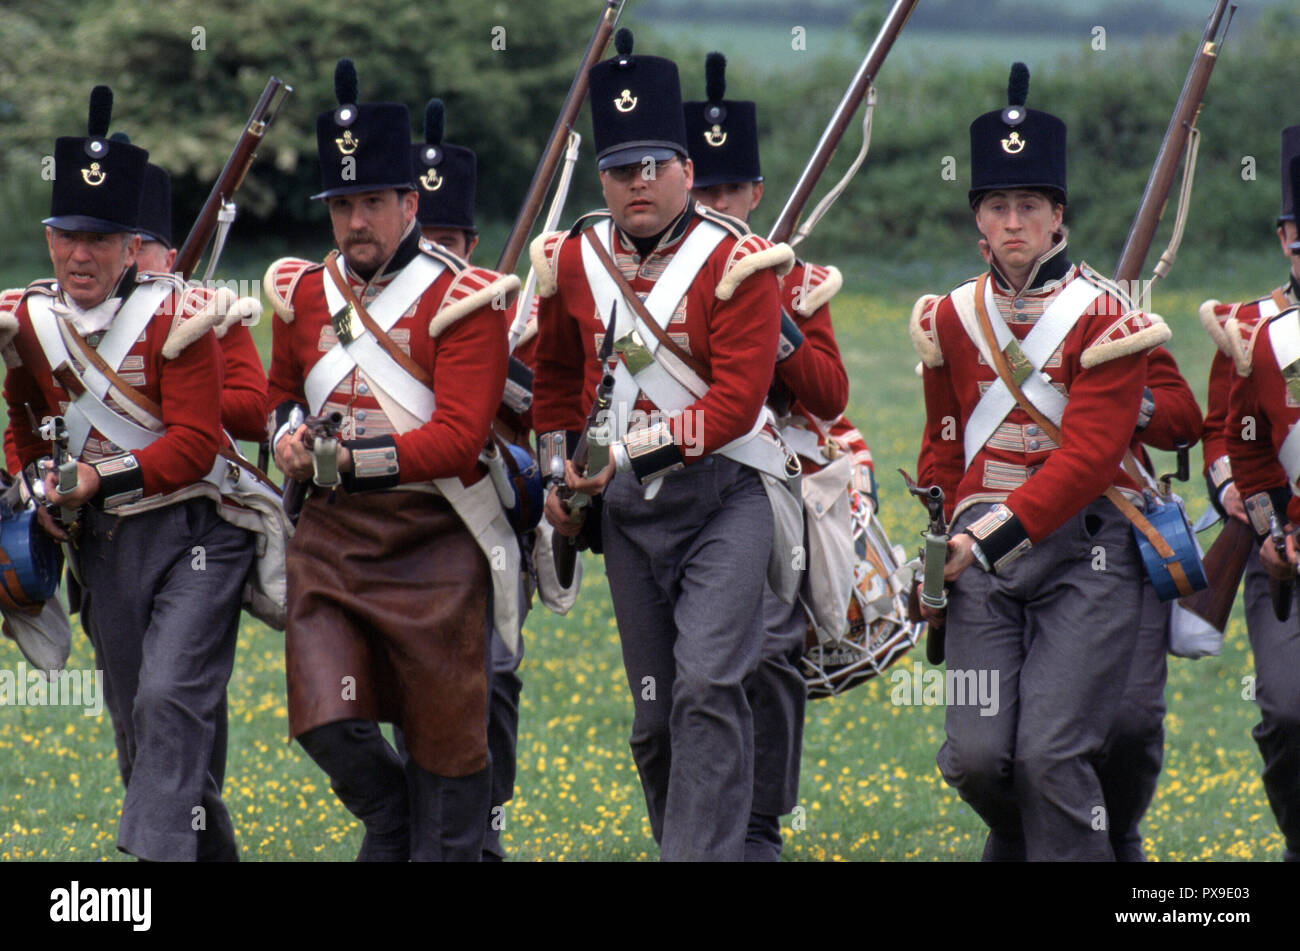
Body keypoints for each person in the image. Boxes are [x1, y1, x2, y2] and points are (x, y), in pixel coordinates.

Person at [531, 29, 796, 861]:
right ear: (602, 176)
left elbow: (735, 405)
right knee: (654, 723)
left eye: (653, 165)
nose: (637, 183)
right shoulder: (575, 258)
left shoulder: (741, 262)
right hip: (627, 518)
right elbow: (555, 382)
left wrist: (628, 454)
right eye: (620, 169)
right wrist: (556, 474)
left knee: (710, 685)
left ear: (685, 167)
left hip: (729, 496)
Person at [911, 63, 1171, 861]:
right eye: (997, 205)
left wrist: (987, 535)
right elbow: (944, 441)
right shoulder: (950, 316)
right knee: (980, 759)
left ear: (1058, 217)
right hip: (975, 555)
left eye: (1029, 205)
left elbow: (1093, 457)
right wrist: (933, 544)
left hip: (1085, 552)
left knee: (1053, 756)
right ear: (978, 223)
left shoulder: (1107, 317)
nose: (1013, 220)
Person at [265, 59, 518, 862]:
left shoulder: (464, 297)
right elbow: (277, 394)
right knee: (326, 718)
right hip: (335, 544)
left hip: (436, 543)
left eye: (372, 201)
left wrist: (350, 457)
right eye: (342, 204)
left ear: (411, 204)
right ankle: (390, 815)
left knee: (448, 757)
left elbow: (458, 437)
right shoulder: (304, 295)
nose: (356, 221)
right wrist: (286, 438)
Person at [0, 85, 253, 861]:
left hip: (197, 535)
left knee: (169, 697)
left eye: (102, 238)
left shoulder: (183, 316)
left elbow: (197, 446)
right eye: (68, 234)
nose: (82, 254)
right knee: (141, 725)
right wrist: (40, 487)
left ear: (129, 242)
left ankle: (145, 867)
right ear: (49, 237)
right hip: (105, 546)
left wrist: (94, 480)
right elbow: (25, 431)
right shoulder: (31, 323)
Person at [683, 51, 864, 861]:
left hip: (769, 478)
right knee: (698, 675)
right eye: (706, 191)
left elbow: (828, 392)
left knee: (771, 648)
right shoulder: (654, 276)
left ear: (756, 194)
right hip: (682, 477)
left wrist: (779, 330)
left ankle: (761, 816)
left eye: (732, 191)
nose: (719, 206)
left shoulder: (796, 281)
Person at [408, 97, 532, 861]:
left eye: (449, 239)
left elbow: (544, 407)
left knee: (492, 679)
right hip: (399, 522)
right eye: (423, 239)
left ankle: (481, 823)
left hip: (483, 524)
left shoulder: (502, 311)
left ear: (474, 243)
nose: (436, 254)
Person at [1215, 132, 1300, 863]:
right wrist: (1265, 523)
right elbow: (1231, 437)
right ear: (1285, 238)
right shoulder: (1256, 331)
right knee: (1285, 712)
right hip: (1289, 553)